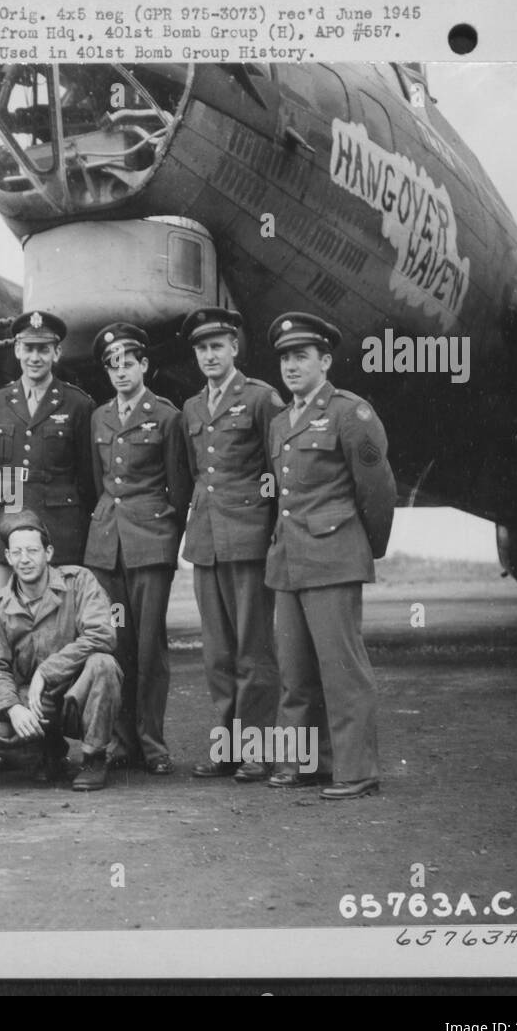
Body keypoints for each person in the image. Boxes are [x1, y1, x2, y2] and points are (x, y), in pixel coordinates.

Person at [264, 312, 397, 799]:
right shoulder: (280, 422)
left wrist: (363, 549)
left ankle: (357, 770)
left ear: (324, 360)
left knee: (342, 671)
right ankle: (306, 763)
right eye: (285, 357)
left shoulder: (350, 412)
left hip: (333, 558)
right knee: (295, 672)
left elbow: (378, 489)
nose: (292, 366)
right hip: (289, 562)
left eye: (301, 356)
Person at [179, 307, 284, 783]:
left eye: (217, 346)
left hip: (248, 539)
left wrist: (272, 528)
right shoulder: (192, 408)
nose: (209, 355)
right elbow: (194, 473)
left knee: (253, 651)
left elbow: (278, 471)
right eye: (201, 348)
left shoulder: (261, 398)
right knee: (217, 654)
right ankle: (226, 748)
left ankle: (257, 751)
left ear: (234, 348)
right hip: (205, 541)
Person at [83, 322, 190, 775]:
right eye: (113, 365)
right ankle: (121, 741)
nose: (121, 371)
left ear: (144, 365)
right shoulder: (99, 417)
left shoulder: (167, 416)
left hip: (149, 545)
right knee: (115, 646)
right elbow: (98, 483)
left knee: (149, 649)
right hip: (108, 548)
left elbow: (179, 488)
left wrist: (164, 537)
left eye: (129, 363)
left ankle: (152, 743)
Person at [0, 512, 122, 792]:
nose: (25, 559)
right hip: (35, 702)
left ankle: (94, 758)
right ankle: (47, 752)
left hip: (78, 695)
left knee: (104, 664)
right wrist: (13, 707)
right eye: (17, 552)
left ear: (48, 552)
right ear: (7, 556)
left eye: (32, 550)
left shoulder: (79, 582)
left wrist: (48, 670)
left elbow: (103, 633)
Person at [0, 310, 95, 598]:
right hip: (6, 530)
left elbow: (87, 477)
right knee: (8, 616)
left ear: (57, 352)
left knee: (60, 618)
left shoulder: (78, 404)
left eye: (43, 349)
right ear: (17, 349)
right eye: (28, 348)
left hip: (61, 531)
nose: (35, 357)